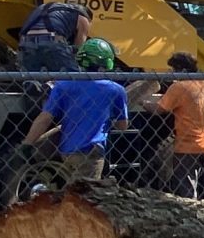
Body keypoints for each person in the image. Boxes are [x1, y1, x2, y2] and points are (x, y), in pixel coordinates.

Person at [24, 37, 129, 184]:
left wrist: (27, 144)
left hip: (67, 151)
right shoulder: (115, 90)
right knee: (86, 197)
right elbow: (122, 126)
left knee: (71, 190)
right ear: (107, 63)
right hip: (92, 151)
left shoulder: (63, 85)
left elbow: (45, 118)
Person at [156, 51, 204, 199]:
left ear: (183, 70)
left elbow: (159, 109)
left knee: (186, 192)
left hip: (188, 146)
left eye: (174, 70)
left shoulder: (178, 87)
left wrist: (143, 102)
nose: (171, 73)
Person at [15, 0, 93, 73]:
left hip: (26, 42)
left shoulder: (47, 7)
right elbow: (79, 48)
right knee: (72, 76)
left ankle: (33, 85)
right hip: (52, 41)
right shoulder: (83, 18)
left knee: (32, 77)